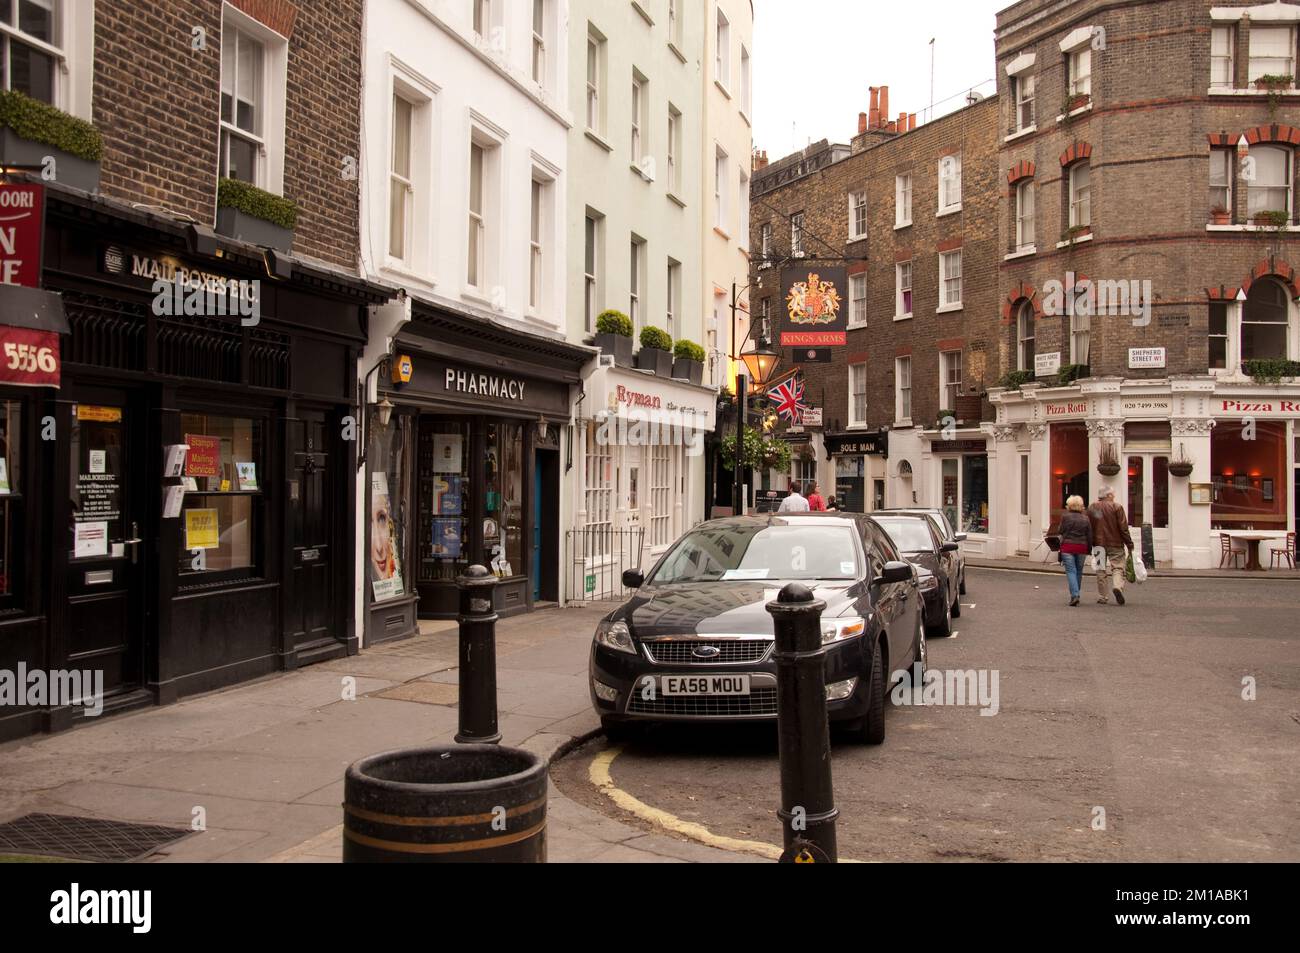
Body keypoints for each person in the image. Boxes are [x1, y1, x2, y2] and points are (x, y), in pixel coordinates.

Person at [1087, 486, 1134, 605]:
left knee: (1100, 569)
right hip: (1115, 543)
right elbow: (1123, 528)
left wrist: (1090, 542)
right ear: (1108, 495)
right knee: (1118, 567)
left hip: (1098, 543)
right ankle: (1117, 586)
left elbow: (1089, 526)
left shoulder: (1092, 508)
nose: (1114, 496)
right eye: (1113, 494)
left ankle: (1103, 596)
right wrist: (1129, 543)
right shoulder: (1116, 507)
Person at [1057, 495, 1093, 607]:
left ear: (1070, 505)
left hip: (1068, 547)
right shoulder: (1086, 518)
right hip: (1082, 547)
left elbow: (1060, 530)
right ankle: (1076, 593)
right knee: (1078, 571)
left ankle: (1075, 594)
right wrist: (1089, 549)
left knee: (1071, 571)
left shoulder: (1065, 517)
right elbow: (1089, 535)